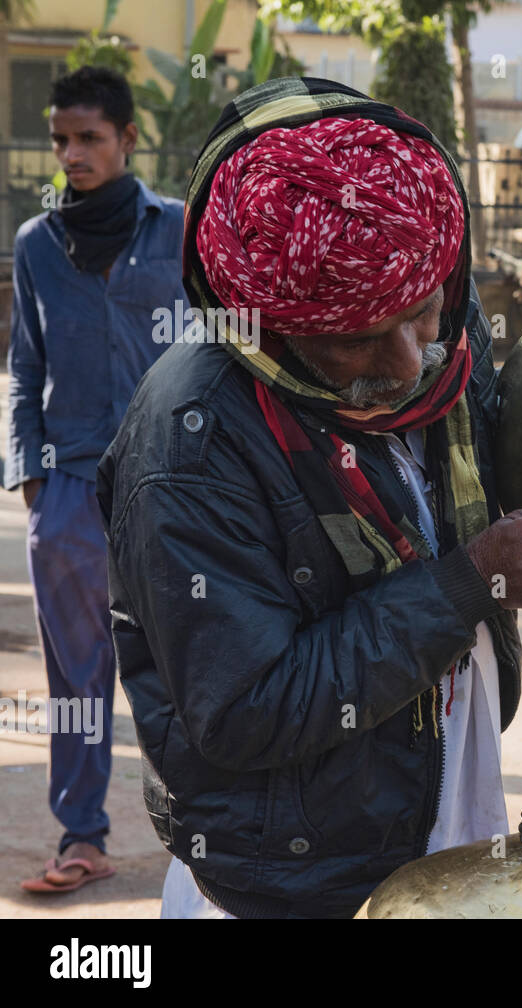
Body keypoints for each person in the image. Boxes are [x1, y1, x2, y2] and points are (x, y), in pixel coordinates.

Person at [95, 78, 522, 919]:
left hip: (438, 803)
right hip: (298, 877)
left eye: (424, 315)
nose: (407, 363)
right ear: (273, 330)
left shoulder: (438, 318)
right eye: (358, 339)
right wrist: (472, 581)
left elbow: (485, 466)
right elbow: (247, 706)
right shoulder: (189, 447)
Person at [8, 67, 186, 895]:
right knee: (77, 680)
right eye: (62, 140)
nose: (72, 154)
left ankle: (204, 836)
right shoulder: (37, 246)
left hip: (170, 494)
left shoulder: (178, 234)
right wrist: (32, 479)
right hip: (71, 491)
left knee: (190, 665)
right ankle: (82, 839)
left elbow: (215, 353)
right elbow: (24, 365)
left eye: (88, 138)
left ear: (125, 140)